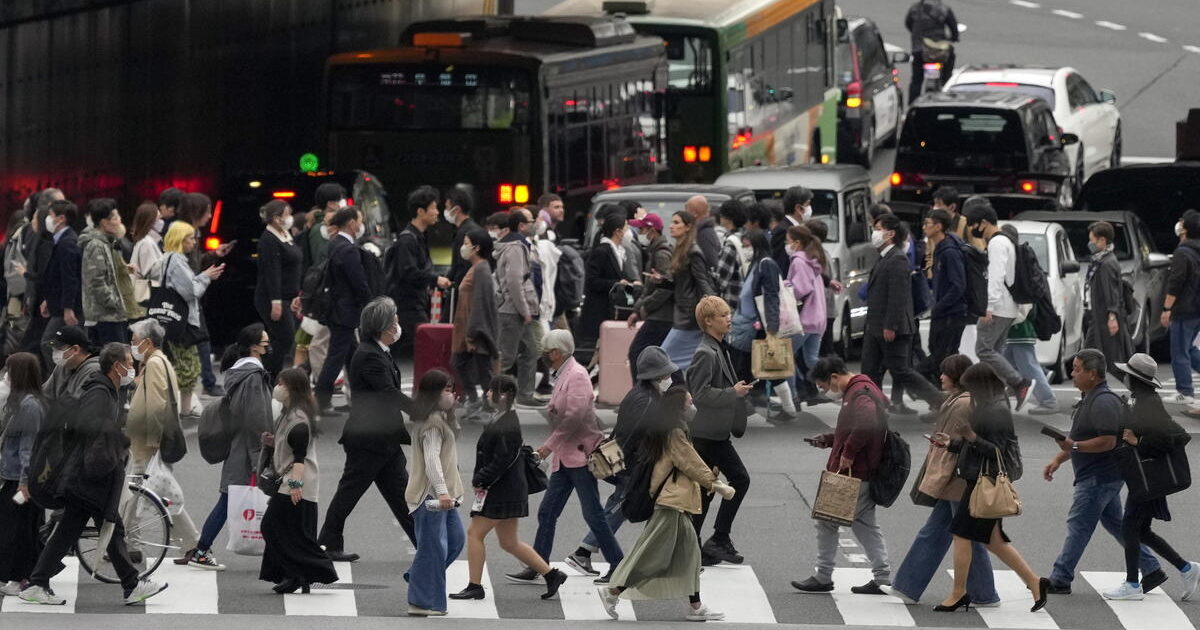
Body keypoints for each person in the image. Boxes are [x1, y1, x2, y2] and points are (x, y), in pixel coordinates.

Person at [19, 342, 169, 606]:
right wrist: (118, 442)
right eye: (129, 364)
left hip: (87, 475)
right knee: (109, 526)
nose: (132, 369)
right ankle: (130, 585)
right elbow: (90, 430)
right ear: (116, 366)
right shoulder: (100, 392)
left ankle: (38, 583)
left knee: (88, 529)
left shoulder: (105, 389)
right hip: (90, 476)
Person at [596, 385, 736, 622]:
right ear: (681, 406)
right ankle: (612, 591)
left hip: (675, 503)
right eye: (689, 401)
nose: (693, 406)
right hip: (670, 504)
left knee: (689, 556)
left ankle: (696, 606)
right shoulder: (674, 432)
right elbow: (690, 462)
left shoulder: (668, 429)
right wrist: (717, 485)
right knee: (652, 556)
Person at [881, 354, 1000, 606]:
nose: (941, 377)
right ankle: (909, 586)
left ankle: (984, 594)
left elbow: (963, 444)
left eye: (945, 373)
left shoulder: (962, 404)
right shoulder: (958, 400)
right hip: (954, 480)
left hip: (957, 480)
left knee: (959, 536)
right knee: (938, 533)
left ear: (957, 376)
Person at [1043, 349, 1164, 594]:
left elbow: (1107, 441)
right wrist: (1059, 458)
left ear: (1093, 374)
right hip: (1103, 476)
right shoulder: (1090, 398)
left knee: (1078, 526)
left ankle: (1060, 578)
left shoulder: (1103, 402)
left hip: (1099, 477)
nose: (1072, 373)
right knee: (1116, 524)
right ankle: (1152, 569)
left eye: (1077, 369)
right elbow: (1077, 438)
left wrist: (1073, 446)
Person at [508, 329, 624, 584]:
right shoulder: (565, 373)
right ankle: (539, 564)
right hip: (567, 457)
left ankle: (618, 563)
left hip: (580, 458)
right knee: (547, 512)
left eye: (547, 353)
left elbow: (574, 418)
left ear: (557, 353)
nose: (545, 357)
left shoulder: (577, 376)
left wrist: (547, 448)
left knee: (593, 515)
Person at [933, 362, 1049, 613]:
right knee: (993, 541)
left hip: (986, 481)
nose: (969, 393)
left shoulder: (996, 410)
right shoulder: (988, 405)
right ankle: (1034, 581)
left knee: (962, 534)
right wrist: (951, 444)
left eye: (971, 387)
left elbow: (996, 450)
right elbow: (978, 446)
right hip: (981, 479)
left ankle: (958, 592)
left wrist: (970, 437)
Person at [451, 375, 568, 601]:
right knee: (509, 542)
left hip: (501, 490)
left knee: (474, 533)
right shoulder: (503, 418)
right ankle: (552, 574)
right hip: (508, 489)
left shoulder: (507, 424)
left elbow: (502, 460)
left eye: (490, 390)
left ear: (503, 395)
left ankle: (475, 585)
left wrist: (481, 479)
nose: (486, 394)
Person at [318, 297, 418, 560]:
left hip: (383, 439)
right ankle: (327, 544)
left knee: (401, 496)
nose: (398, 323)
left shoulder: (378, 352)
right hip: (370, 440)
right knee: (350, 492)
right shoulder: (369, 356)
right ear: (383, 326)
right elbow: (388, 393)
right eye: (394, 319)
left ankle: (423, 543)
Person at [566, 346, 676, 576]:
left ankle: (584, 551)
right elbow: (633, 435)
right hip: (634, 465)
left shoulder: (639, 394)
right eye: (665, 375)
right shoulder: (648, 401)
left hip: (628, 462)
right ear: (655, 376)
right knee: (621, 508)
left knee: (617, 508)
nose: (669, 379)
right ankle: (585, 552)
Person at [1097, 354, 1200, 600]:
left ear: (1134, 379)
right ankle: (1186, 568)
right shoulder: (1139, 399)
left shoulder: (1148, 403)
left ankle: (1132, 584)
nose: (1124, 377)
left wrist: (1138, 440)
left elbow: (1170, 436)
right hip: (1145, 476)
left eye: (1127, 375)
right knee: (1141, 530)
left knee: (1129, 527)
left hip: (1149, 476)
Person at [793, 355, 892, 594]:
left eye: (824, 386)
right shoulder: (863, 387)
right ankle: (882, 576)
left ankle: (823, 575)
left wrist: (847, 451)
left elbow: (866, 420)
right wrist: (829, 440)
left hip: (854, 471)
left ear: (834, 378)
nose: (825, 391)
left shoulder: (859, 392)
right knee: (864, 523)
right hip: (863, 470)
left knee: (826, 521)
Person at [185, 324, 272, 570]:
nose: (268, 343)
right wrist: (263, 452)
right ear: (254, 346)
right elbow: (257, 418)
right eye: (265, 341)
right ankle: (201, 550)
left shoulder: (240, 374)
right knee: (234, 501)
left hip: (239, 447)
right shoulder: (253, 377)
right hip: (249, 451)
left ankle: (201, 549)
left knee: (229, 500)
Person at [125, 319, 201, 564]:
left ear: (147, 342)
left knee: (141, 493)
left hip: (147, 443)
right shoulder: (158, 360)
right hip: (146, 441)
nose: (132, 346)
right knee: (152, 493)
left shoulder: (155, 363)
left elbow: (157, 403)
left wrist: (153, 438)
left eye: (135, 341)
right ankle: (129, 542)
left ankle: (126, 543)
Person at [687, 296, 754, 565]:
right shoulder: (706, 352)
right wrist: (732, 392)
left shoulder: (718, 347)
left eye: (729, 313)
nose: (729, 318)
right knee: (740, 479)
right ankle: (719, 538)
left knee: (704, 491)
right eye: (724, 315)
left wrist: (734, 390)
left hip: (713, 433)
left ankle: (697, 545)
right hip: (707, 435)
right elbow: (699, 394)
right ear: (708, 321)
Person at [259, 368, 338, 594]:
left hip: (296, 481)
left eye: (282, 384)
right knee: (291, 532)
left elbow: (299, 457)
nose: (278, 388)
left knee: (274, 527)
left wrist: (295, 487)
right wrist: (273, 441)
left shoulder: (299, 419)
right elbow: (289, 445)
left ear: (293, 388)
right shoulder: (290, 412)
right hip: (293, 479)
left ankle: (316, 569)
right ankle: (297, 575)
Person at [862, 214, 942, 411]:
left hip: (891, 328)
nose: (874, 233)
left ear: (890, 234)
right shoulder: (885, 258)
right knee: (870, 371)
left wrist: (891, 325)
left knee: (901, 370)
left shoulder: (897, 259)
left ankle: (938, 400)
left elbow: (898, 297)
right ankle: (872, 408)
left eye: (878, 229)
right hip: (875, 326)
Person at [404, 369, 466, 617]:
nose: (452, 395)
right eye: (447, 390)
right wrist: (441, 492)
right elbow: (432, 460)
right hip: (430, 497)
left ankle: (418, 578)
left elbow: (454, 436)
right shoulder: (431, 423)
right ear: (434, 393)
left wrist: (452, 412)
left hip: (445, 497)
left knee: (454, 541)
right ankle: (420, 601)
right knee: (433, 549)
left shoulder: (440, 418)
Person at [963, 202, 1032, 408]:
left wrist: (988, 306)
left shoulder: (997, 243)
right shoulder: (1006, 240)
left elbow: (996, 276)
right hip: (1008, 306)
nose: (973, 230)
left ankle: (1019, 382)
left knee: (983, 349)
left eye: (973, 225)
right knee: (995, 351)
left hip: (998, 306)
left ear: (984, 223)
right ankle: (998, 396)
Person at [154, 221, 223, 418]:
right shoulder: (177, 261)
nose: (194, 242)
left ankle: (181, 407)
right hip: (182, 321)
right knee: (188, 364)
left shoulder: (167, 258)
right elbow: (191, 291)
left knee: (179, 362)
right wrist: (206, 277)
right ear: (180, 240)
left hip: (170, 318)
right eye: (190, 238)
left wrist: (203, 275)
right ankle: (182, 408)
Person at [727, 229, 797, 420]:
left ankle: (740, 409)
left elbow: (772, 295)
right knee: (767, 368)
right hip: (749, 325)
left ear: (757, 245)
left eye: (747, 245)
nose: (745, 249)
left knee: (759, 367)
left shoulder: (766, 264)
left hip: (758, 325)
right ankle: (786, 408)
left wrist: (772, 328)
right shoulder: (756, 264)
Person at [315, 207, 372, 413]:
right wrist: (370, 304)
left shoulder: (334, 244)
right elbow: (358, 281)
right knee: (336, 356)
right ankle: (321, 400)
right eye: (359, 220)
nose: (361, 224)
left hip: (336, 308)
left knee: (351, 355)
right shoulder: (348, 249)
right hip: (345, 311)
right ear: (351, 223)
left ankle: (358, 399)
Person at [0, 352, 46, 596]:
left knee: (19, 531)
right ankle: (18, 576)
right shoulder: (20, 401)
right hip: (12, 475)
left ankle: (22, 578)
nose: (5, 376)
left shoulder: (29, 406)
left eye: (8, 370)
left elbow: (29, 448)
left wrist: (25, 483)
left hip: (22, 479)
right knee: (16, 529)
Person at [176, 192, 231, 397]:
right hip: (186, 293)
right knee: (198, 337)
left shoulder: (194, 233)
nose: (209, 216)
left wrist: (214, 255)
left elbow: (195, 263)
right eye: (207, 211)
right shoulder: (185, 234)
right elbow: (186, 267)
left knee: (200, 337)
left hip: (193, 292)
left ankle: (207, 380)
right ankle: (206, 381)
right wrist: (204, 275)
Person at [388, 186, 450, 354]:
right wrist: (435, 279)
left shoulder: (420, 236)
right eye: (433, 208)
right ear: (421, 211)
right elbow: (407, 271)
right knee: (426, 348)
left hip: (416, 302)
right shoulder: (408, 240)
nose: (437, 212)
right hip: (407, 305)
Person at [494, 208, 545, 407]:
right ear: (522, 225)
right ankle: (492, 396)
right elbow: (515, 281)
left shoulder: (518, 244)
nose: (535, 223)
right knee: (506, 357)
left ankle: (525, 394)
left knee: (531, 351)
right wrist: (524, 310)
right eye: (531, 221)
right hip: (512, 310)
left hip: (516, 309)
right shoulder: (515, 247)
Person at [658, 212, 716, 371]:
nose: (671, 226)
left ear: (688, 227)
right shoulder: (680, 249)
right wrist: (661, 280)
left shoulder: (693, 252)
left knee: (664, 357)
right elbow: (679, 283)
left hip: (689, 317)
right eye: (671, 222)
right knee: (683, 362)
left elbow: (702, 281)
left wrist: (711, 309)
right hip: (684, 314)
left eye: (677, 222)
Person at [451, 230, 499, 421]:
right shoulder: (476, 267)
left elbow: (481, 302)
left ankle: (487, 406)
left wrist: (473, 333)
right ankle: (476, 401)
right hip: (467, 329)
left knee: (482, 369)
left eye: (466, 243)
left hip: (475, 329)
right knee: (461, 364)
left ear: (476, 248)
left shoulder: (481, 269)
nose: (463, 247)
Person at [255, 199, 302, 380]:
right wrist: (275, 301)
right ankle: (268, 375)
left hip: (289, 296)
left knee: (280, 339)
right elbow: (272, 272)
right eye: (287, 214)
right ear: (276, 218)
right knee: (286, 337)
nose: (290, 218)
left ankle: (269, 376)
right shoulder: (268, 240)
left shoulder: (285, 235)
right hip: (273, 297)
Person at [80, 198, 136, 344]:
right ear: (104, 222)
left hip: (112, 315)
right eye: (116, 217)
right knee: (114, 361)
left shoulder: (107, 243)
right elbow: (96, 282)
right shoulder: (96, 245)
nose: (119, 221)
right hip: (105, 317)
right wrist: (116, 302)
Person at [626, 214, 674, 381]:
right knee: (653, 359)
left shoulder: (661, 254)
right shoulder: (655, 251)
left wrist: (644, 307)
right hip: (658, 315)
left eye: (641, 229)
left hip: (661, 316)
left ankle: (641, 397)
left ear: (652, 230)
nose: (639, 232)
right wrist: (637, 310)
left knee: (637, 353)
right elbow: (650, 287)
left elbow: (665, 288)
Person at [1084, 221, 1134, 377]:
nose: (1089, 244)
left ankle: (1140, 393)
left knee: (1115, 361)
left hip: (1106, 318)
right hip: (1098, 317)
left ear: (1102, 241)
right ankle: (1091, 395)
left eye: (1092, 240)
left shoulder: (1107, 264)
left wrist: (1112, 317)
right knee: (1089, 358)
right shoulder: (1100, 260)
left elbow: (1111, 292)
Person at [923, 209, 968, 384]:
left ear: (939, 226)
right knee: (939, 356)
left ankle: (946, 398)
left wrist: (939, 306)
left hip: (951, 314)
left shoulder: (950, 251)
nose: (924, 227)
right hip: (942, 312)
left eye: (928, 223)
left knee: (944, 359)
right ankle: (941, 401)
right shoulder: (940, 249)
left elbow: (958, 286)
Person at [786, 225, 829, 407]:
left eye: (788, 241)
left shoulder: (799, 261)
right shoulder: (814, 260)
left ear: (797, 243)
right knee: (811, 359)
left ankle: (793, 396)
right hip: (818, 318)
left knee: (786, 357)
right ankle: (838, 379)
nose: (787, 245)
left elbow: (800, 289)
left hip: (804, 320)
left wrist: (786, 286)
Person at [579, 212, 633, 354]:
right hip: (599, 310)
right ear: (618, 232)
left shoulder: (618, 251)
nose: (629, 231)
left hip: (611, 309)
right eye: (626, 227)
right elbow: (592, 281)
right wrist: (616, 283)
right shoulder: (602, 251)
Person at [38, 200, 83, 367]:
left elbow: (70, 278)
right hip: (58, 303)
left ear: (61, 218)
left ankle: (62, 380)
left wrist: (68, 307)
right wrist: (48, 299)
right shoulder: (61, 240)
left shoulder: (67, 242)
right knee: (59, 344)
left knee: (48, 342)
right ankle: (62, 380)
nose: (48, 219)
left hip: (67, 307)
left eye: (51, 215)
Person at [1162, 210, 1200, 406]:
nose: (1178, 223)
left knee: (1179, 352)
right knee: (1189, 348)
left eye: (1181, 221)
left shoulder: (1182, 253)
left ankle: (1185, 391)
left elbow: (1175, 283)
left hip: (1184, 309)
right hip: (1197, 309)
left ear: (1185, 228)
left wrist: (1166, 308)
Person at [905, 0, 959, 102]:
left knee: (916, 80)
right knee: (949, 63)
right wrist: (954, 38)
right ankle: (946, 84)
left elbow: (908, 23)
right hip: (940, 51)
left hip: (920, 50)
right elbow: (953, 27)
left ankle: (911, 106)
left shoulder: (915, 9)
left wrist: (916, 35)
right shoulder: (943, 9)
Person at [43, 325, 101, 400]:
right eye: (54, 349)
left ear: (75, 349)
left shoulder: (94, 371)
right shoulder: (64, 364)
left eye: (59, 348)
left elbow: (79, 406)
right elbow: (45, 393)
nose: (55, 353)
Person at [713, 200, 749, 308]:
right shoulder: (746, 238)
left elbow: (720, 280)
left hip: (732, 302)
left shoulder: (731, 244)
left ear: (727, 217)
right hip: (745, 299)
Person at [771, 186, 813, 269]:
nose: (810, 208)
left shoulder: (797, 228)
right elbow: (781, 263)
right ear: (798, 208)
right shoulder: (783, 230)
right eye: (807, 204)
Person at [446, 186, 480, 285]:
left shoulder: (465, 233)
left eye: (447, 208)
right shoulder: (472, 228)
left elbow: (462, 265)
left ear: (456, 209)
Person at [130, 202, 164, 290]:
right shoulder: (146, 243)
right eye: (158, 218)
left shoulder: (146, 241)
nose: (161, 222)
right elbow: (152, 272)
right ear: (150, 221)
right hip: (148, 293)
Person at [686, 196, 720, 268]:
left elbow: (711, 263)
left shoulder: (705, 234)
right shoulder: (699, 230)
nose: (684, 215)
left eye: (687, 211)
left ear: (694, 213)